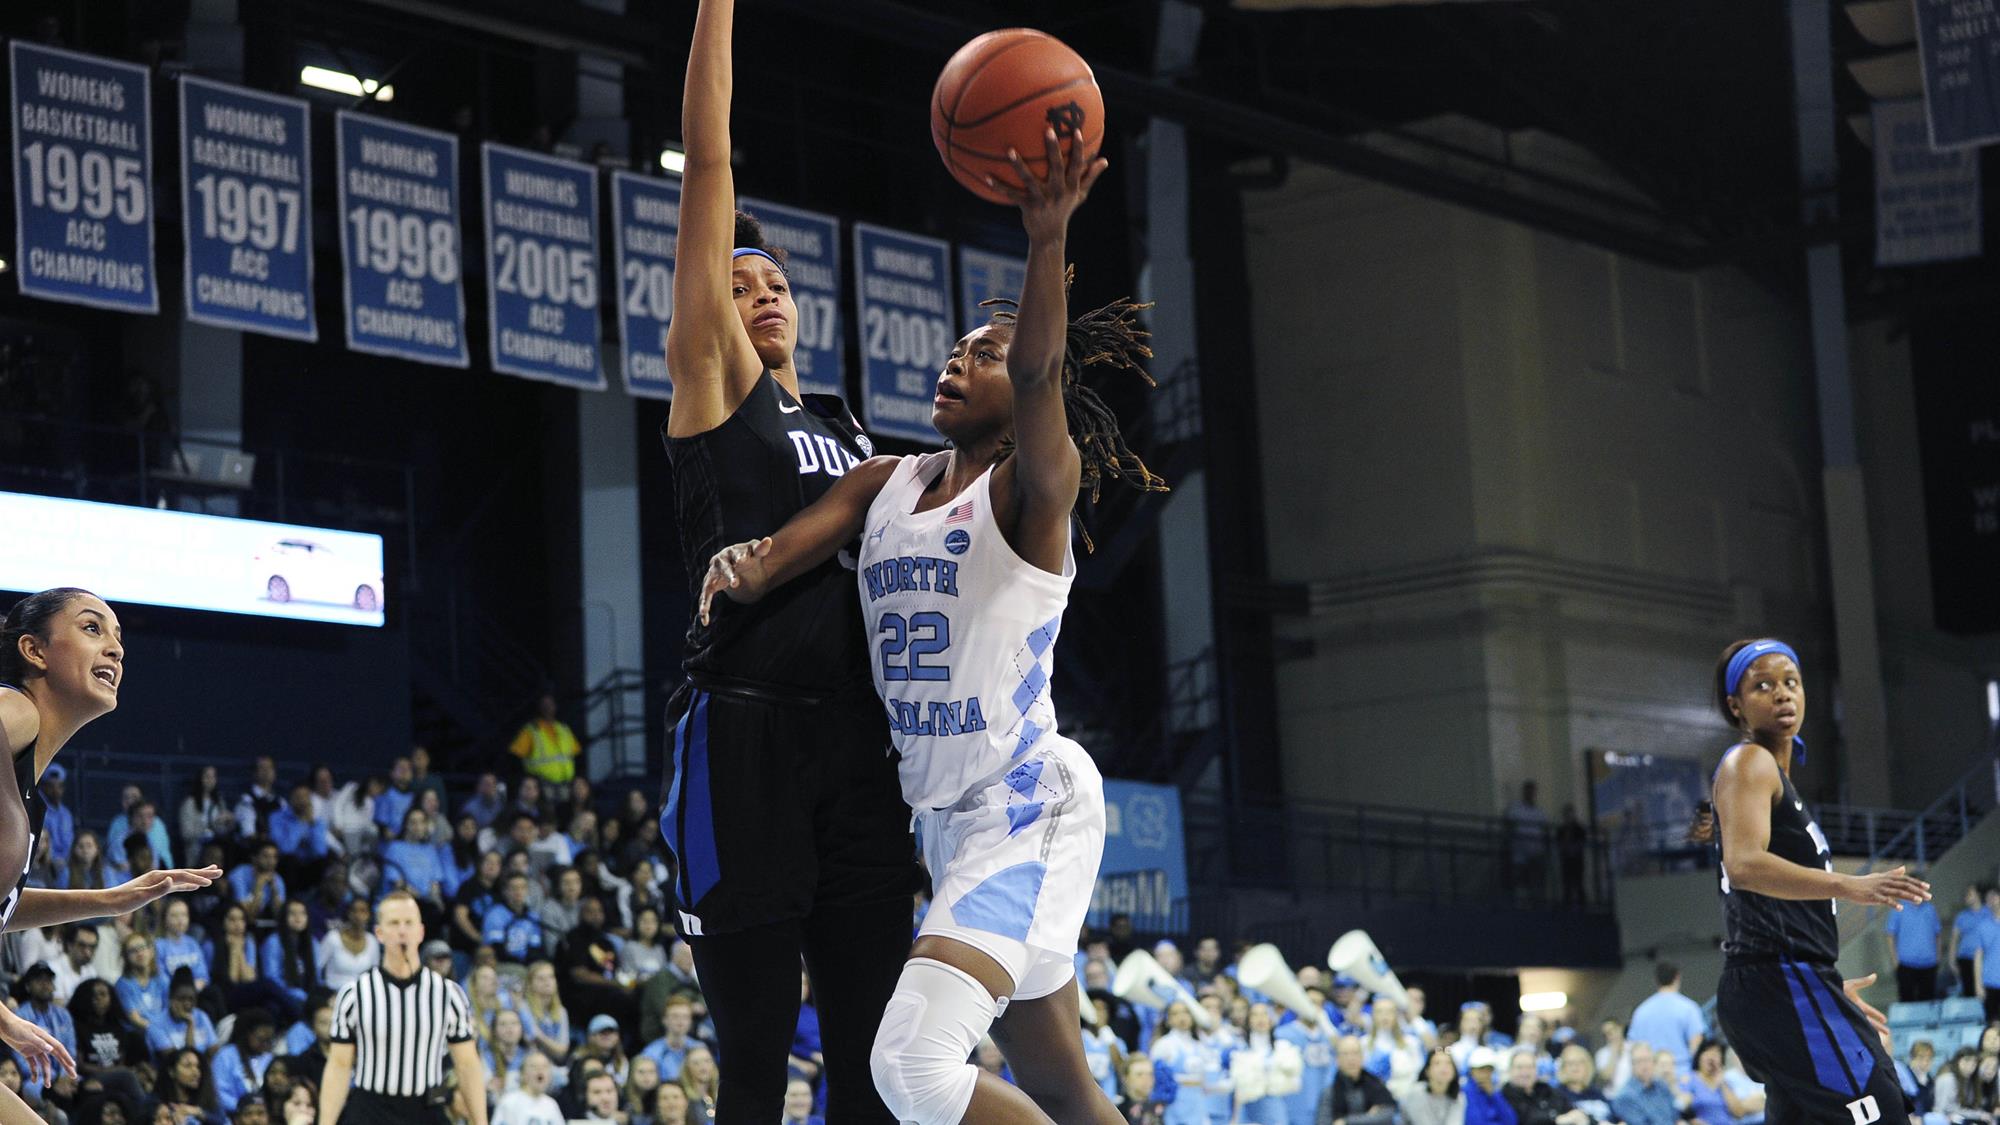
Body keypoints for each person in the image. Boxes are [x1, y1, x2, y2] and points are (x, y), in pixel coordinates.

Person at [698, 106, 1167, 1125]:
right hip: (944, 819)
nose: (958, 363)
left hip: (1024, 803)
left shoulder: (1032, 493)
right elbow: (784, 549)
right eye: (955, 351)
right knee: (1055, 1080)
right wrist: (743, 560)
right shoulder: (884, 480)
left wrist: (1046, 238)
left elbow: (1044, 370)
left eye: (983, 355)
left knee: (905, 1069)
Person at [657, 5, 927, 1124]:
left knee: (878, 1057)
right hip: (746, 734)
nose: (761, 291)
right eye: (740, 279)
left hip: (858, 748)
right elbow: (710, 158)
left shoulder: (854, 430)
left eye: (775, 281)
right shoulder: (715, 388)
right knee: (757, 1056)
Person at [1700, 638, 1927, 1124]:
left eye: (1791, 683)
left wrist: (1823, 987)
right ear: (1735, 705)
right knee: (1883, 1113)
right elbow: (1743, 866)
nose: (1782, 694)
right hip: (1781, 981)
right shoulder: (1749, 762)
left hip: (1785, 982)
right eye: (1763, 685)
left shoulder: (1779, 781)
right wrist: (1853, 886)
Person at [3, 590, 222, 1088]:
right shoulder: (16, 712)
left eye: (119, 638)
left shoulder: (25, 780)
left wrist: (112, 899)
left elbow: (2, 905)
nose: (117, 649)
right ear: (34, 651)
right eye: (92, 628)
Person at [319, 891, 486, 1125]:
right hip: (370, 1108)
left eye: (409, 923)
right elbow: (339, 1065)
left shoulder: (448, 994)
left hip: (427, 1105)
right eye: (394, 923)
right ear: (379, 933)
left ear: (421, 931)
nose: (402, 931)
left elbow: (467, 1064)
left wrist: (481, 1122)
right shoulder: (354, 994)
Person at [1625, 963, 1703, 1077]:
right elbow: (1696, 1045)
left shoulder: (1641, 1011)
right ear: (1677, 977)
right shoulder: (1689, 1008)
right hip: (1682, 1075)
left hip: (1651, 1076)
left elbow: (1634, 1047)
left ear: (1656, 980)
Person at [1885, 875, 1943, 1002]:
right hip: (1906, 965)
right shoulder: (1898, 908)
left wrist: (1938, 957)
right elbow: (1890, 936)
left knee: (1928, 1003)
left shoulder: (1930, 909)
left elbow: (1937, 934)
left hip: (1929, 964)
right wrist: (1895, 961)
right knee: (1907, 1002)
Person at [1315, 1036, 1393, 1125]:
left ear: (1362, 1057)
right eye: (1345, 1054)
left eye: (1355, 1053)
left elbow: (1387, 1116)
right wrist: (1369, 1117)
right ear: (1337, 1060)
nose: (1351, 1059)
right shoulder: (1330, 1093)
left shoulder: (1376, 1085)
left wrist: (1346, 1121)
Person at [510, 695, 580, 788]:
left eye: (550, 704)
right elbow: (515, 758)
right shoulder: (530, 730)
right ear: (538, 707)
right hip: (542, 786)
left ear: (555, 706)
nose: (547, 708)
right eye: (544, 705)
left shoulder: (564, 729)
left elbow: (576, 756)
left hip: (566, 784)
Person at [1608, 1044, 1676, 1125]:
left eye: (1648, 1060)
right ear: (1632, 1065)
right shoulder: (1624, 1097)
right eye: (1639, 1061)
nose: (1645, 1066)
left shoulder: (1662, 1086)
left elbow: (1675, 1115)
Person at [492, 1051, 562, 1125]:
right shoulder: (509, 1102)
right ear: (522, 1074)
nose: (540, 1070)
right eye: (534, 1066)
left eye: (545, 1066)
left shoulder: (551, 1104)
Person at [1397, 1048, 1462, 1125]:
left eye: (1448, 1063)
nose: (1444, 1067)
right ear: (1427, 1071)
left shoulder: (1459, 1097)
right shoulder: (1415, 1094)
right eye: (1437, 1063)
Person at [1954, 887, 1991, 1001]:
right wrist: (1952, 960)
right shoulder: (1962, 916)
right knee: (1969, 993)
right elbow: (1954, 939)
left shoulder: (1989, 913)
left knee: (1987, 992)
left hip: (1985, 959)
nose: (1967, 896)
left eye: (1970, 894)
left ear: (1978, 896)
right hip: (1966, 958)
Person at [1461, 1050, 1515, 1125]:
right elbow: (1474, 1121)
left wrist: (1494, 1095)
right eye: (1481, 1069)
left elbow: (1511, 1121)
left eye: (1489, 1070)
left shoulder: (1495, 1092)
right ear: (1472, 1070)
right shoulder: (1464, 1092)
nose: (1485, 1074)